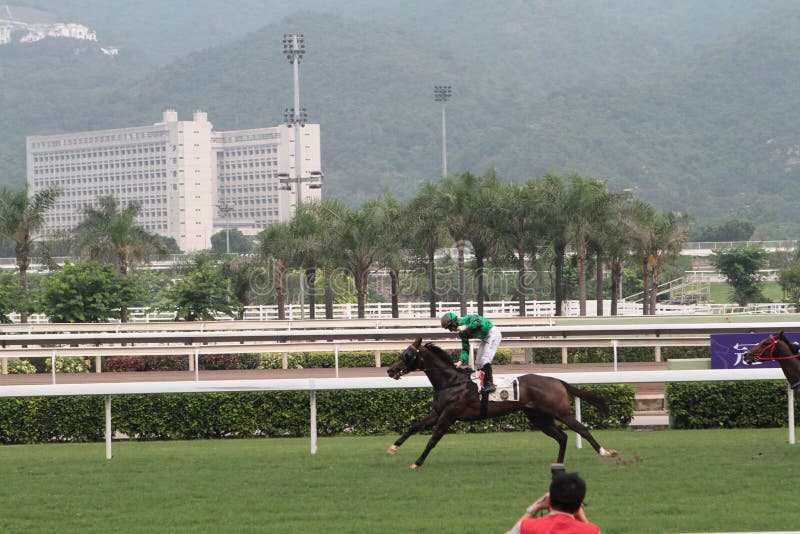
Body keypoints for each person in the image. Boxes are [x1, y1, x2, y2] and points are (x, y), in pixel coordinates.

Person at [506, 472, 600, 534]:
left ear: (549, 500)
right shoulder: (591, 531)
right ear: (579, 506)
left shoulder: (525, 527)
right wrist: (582, 517)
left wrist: (535, 508)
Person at [439, 311, 501, 393]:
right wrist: (460, 361)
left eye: (450, 328)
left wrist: (466, 326)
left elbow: (479, 323)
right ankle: (482, 383)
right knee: (478, 362)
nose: (451, 331)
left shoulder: (468, 318)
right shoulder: (462, 333)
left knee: (485, 360)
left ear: (454, 323)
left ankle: (490, 385)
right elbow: (465, 348)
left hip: (493, 334)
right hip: (485, 338)